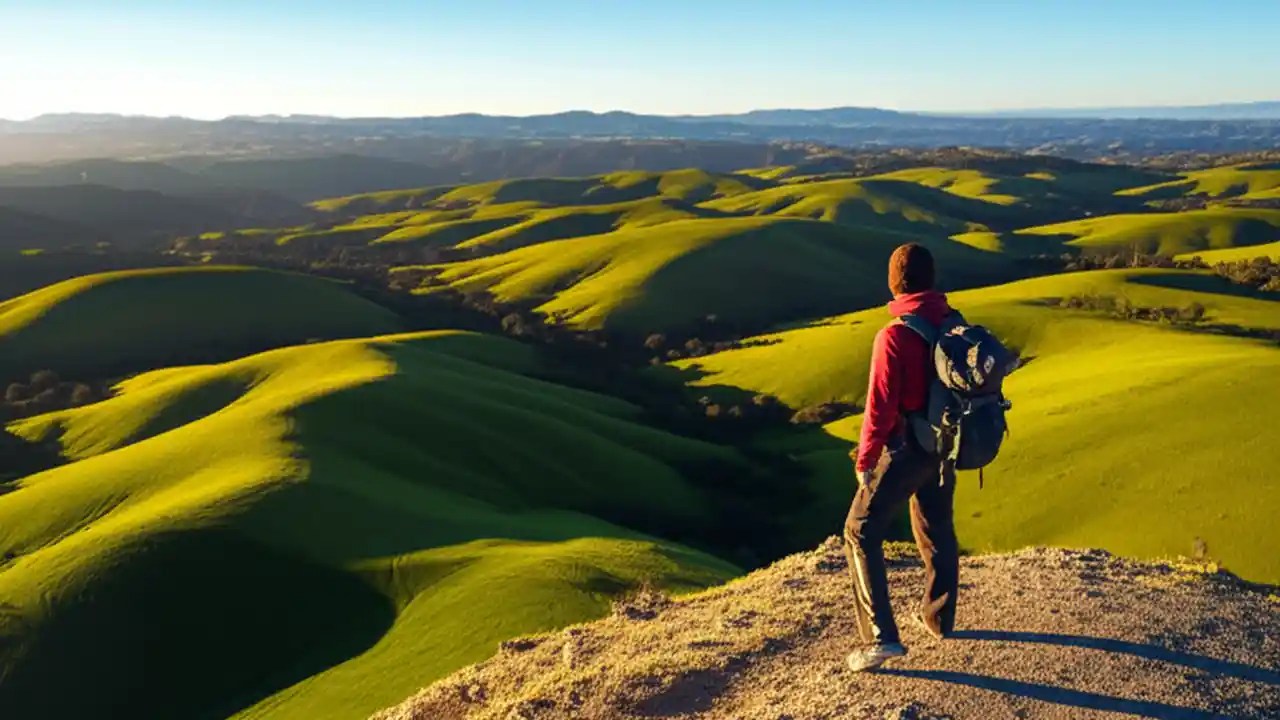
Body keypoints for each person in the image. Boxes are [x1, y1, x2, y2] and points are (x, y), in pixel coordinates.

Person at [844, 242, 960, 672]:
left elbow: (880, 406)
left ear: (895, 284)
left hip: (906, 448)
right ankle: (939, 617)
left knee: (859, 530)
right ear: (931, 280)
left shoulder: (894, 336)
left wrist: (865, 461)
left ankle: (880, 639)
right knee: (936, 527)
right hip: (944, 446)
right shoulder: (951, 322)